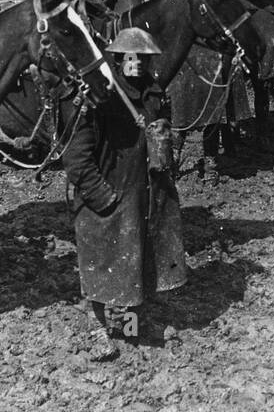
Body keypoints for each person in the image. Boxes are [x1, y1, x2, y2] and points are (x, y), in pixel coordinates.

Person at [60, 27, 185, 362]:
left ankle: (129, 328)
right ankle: (97, 329)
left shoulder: (153, 93)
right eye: (129, 58)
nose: (136, 64)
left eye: (141, 58)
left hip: (140, 191)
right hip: (104, 190)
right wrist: (99, 195)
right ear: (116, 59)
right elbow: (76, 155)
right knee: (99, 265)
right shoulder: (99, 97)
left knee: (134, 268)